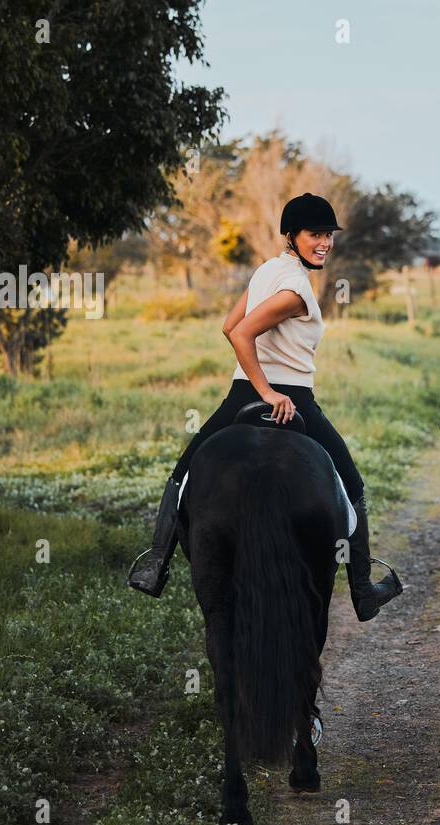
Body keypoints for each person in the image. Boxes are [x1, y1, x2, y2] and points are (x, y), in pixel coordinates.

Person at [127, 192, 404, 621]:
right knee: (353, 486)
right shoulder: (294, 290)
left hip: (239, 395)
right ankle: (364, 589)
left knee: (182, 475)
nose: (325, 243)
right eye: (316, 234)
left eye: (328, 235)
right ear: (292, 236)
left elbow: (228, 325)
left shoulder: (266, 272)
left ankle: (155, 566)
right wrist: (271, 393)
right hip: (292, 398)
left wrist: (254, 387)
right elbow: (242, 336)